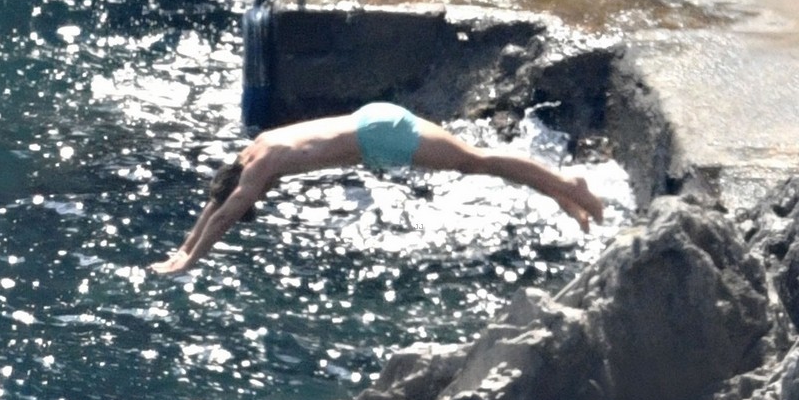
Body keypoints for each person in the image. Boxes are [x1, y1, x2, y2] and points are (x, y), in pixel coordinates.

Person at [150, 102, 605, 274]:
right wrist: (183, 246)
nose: (262, 196)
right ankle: (563, 195)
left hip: (380, 135)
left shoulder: (257, 170)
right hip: (372, 121)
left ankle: (569, 183)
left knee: (475, 162)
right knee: (473, 162)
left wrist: (192, 259)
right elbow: (218, 200)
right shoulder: (251, 151)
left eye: (258, 196)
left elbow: (228, 212)